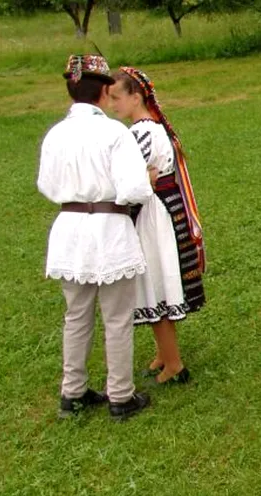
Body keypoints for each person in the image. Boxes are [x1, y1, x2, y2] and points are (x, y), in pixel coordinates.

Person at [38, 54, 154, 421]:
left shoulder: (56, 134)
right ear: (105, 91)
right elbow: (134, 187)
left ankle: (72, 393)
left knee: (76, 316)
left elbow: (47, 185)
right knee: (117, 317)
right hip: (108, 229)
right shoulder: (114, 133)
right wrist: (144, 185)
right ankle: (120, 395)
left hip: (70, 231)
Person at [110, 67, 207, 385]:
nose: (112, 105)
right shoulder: (149, 128)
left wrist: (135, 183)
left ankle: (175, 364)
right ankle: (164, 354)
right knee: (156, 283)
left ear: (135, 97)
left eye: (116, 97)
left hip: (154, 214)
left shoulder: (143, 132)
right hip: (157, 210)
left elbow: (126, 181)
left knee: (155, 286)